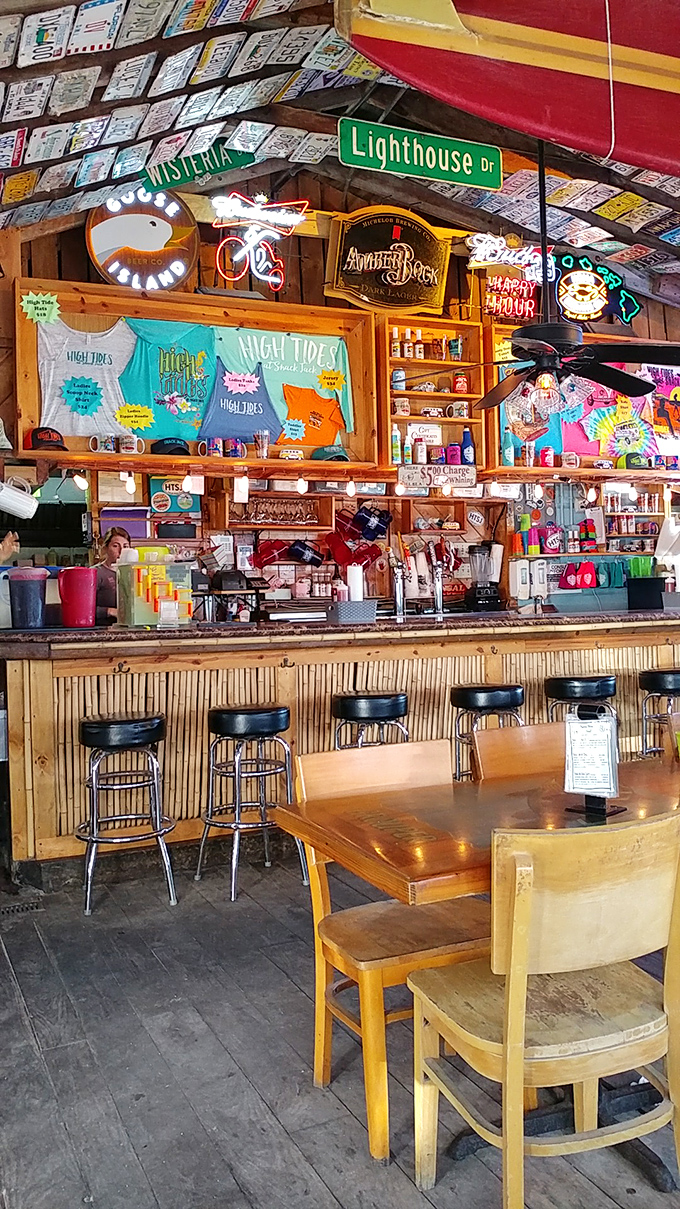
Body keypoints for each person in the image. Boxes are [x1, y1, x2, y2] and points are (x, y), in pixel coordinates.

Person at [96, 527, 130, 624]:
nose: (121, 551)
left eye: (126, 546)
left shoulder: (132, 573)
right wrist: (109, 611)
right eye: (115, 546)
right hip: (102, 630)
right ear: (106, 548)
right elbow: (82, 609)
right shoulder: (96, 573)